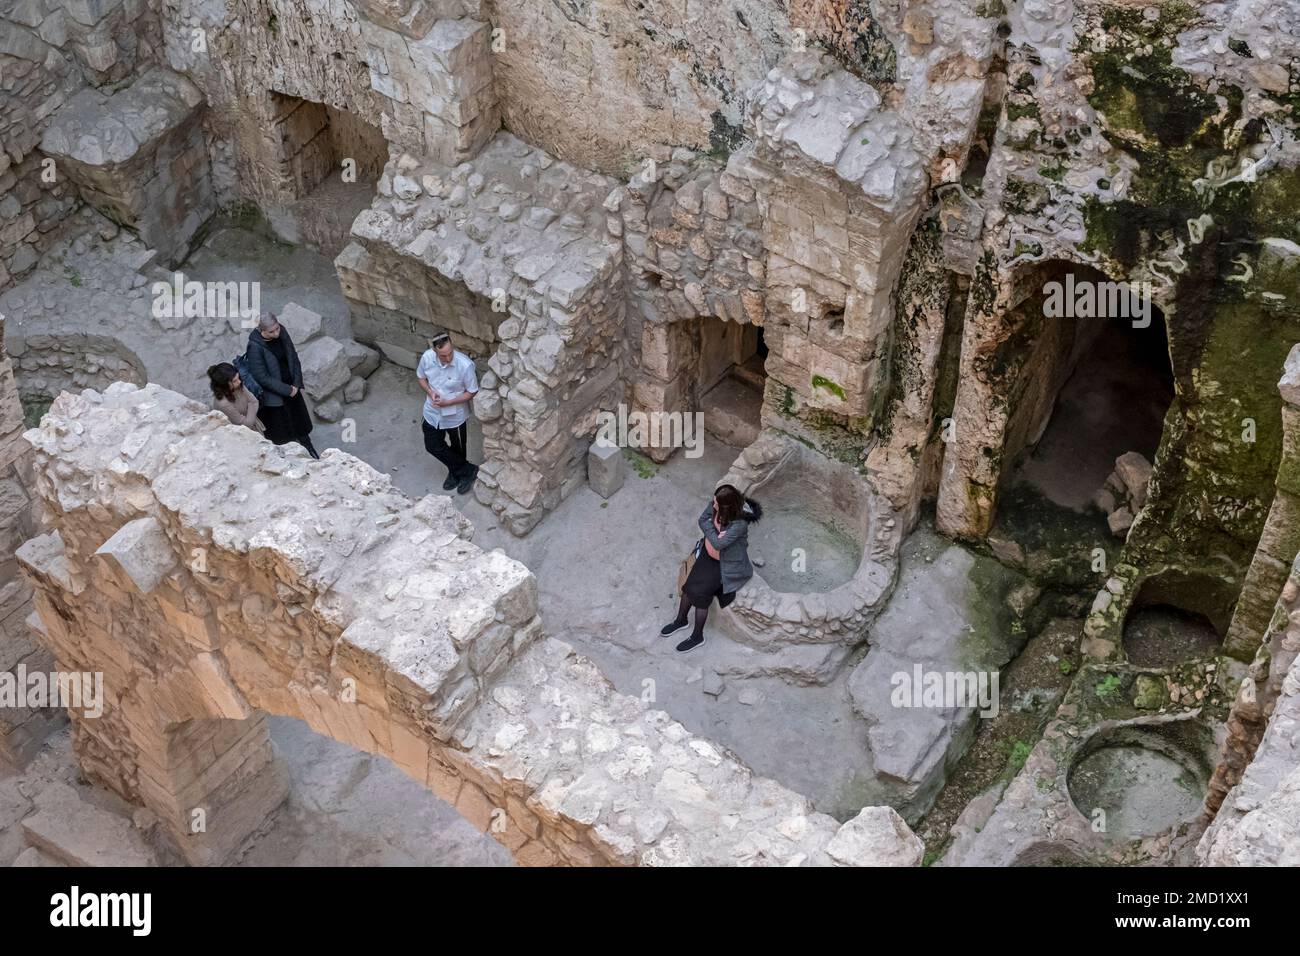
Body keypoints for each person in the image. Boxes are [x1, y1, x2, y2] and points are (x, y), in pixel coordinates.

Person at [661, 484, 763, 652]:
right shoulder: (718, 503)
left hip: (726, 564)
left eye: (716, 504)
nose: (713, 505)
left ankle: (697, 636)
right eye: (714, 501)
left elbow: (718, 543)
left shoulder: (740, 524)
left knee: (701, 596)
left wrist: (712, 533)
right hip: (709, 556)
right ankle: (681, 620)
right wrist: (715, 532)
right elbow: (702, 520)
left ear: (727, 507)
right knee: (688, 587)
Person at [245, 312, 320, 459]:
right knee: (285, 425)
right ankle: (295, 453)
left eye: (277, 328)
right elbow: (262, 377)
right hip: (277, 392)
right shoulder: (255, 347)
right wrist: (287, 390)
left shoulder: (282, 332)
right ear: (262, 331)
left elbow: (292, 356)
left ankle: (307, 444)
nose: (276, 333)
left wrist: (296, 382)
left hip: (292, 386)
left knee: (299, 419)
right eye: (271, 331)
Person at [416, 330, 480, 494]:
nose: (448, 358)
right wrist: (431, 392)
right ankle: (467, 470)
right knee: (432, 445)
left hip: (455, 415)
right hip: (432, 411)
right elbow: (421, 378)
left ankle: (456, 473)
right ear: (434, 352)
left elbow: (472, 391)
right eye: (443, 355)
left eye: (450, 353)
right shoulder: (427, 358)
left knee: (458, 447)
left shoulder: (465, 365)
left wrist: (449, 402)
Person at [207, 362, 264, 433]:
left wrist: (249, 415)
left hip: (255, 427)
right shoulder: (223, 404)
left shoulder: (238, 386)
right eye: (234, 381)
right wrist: (251, 406)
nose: (239, 382)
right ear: (224, 384)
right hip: (243, 435)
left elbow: (254, 401)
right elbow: (246, 425)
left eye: (238, 377)